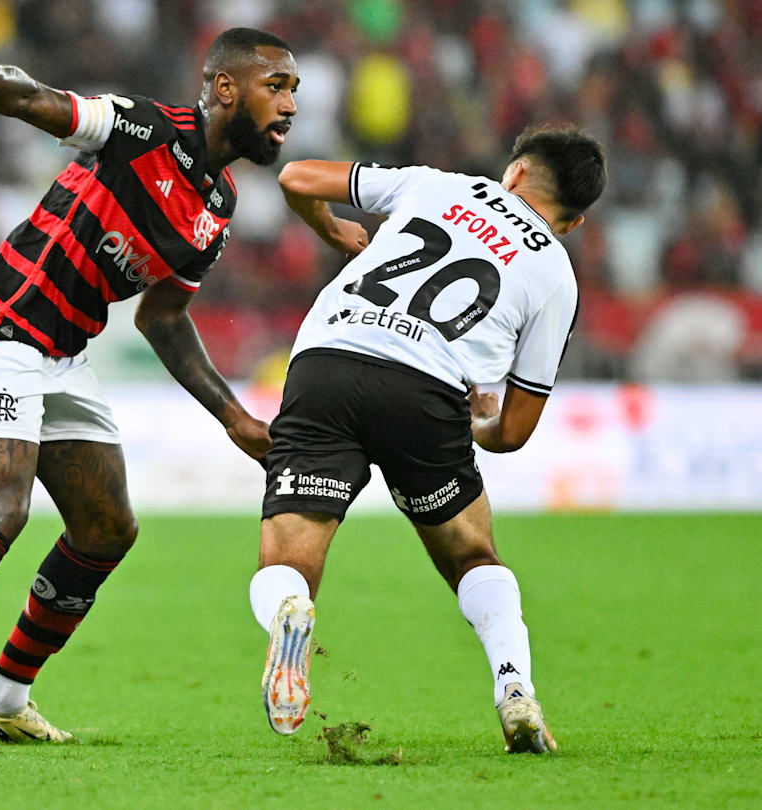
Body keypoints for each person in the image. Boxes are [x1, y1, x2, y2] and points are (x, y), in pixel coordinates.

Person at [0, 28, 299, 755]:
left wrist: (234, 417)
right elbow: (40, 101)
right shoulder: (145, 129)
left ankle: (2, 699)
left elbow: (164, 317)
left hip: (63, 352)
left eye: (294, 90)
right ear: (226, 88)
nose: (290, 105)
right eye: (277, 86)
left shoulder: (217, 207)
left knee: (106, 528)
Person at [252, 126, 606, 753]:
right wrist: (476, 421)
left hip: (326, 361)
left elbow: (296, 177)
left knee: (288, 561)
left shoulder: (437, 185)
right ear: (572, 223)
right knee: (473, 555)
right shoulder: (557, 274)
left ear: (516, 172)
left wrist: (331, 229)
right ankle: (515, 689)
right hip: (424, 390)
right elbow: (513, 432)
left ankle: (288, 612)